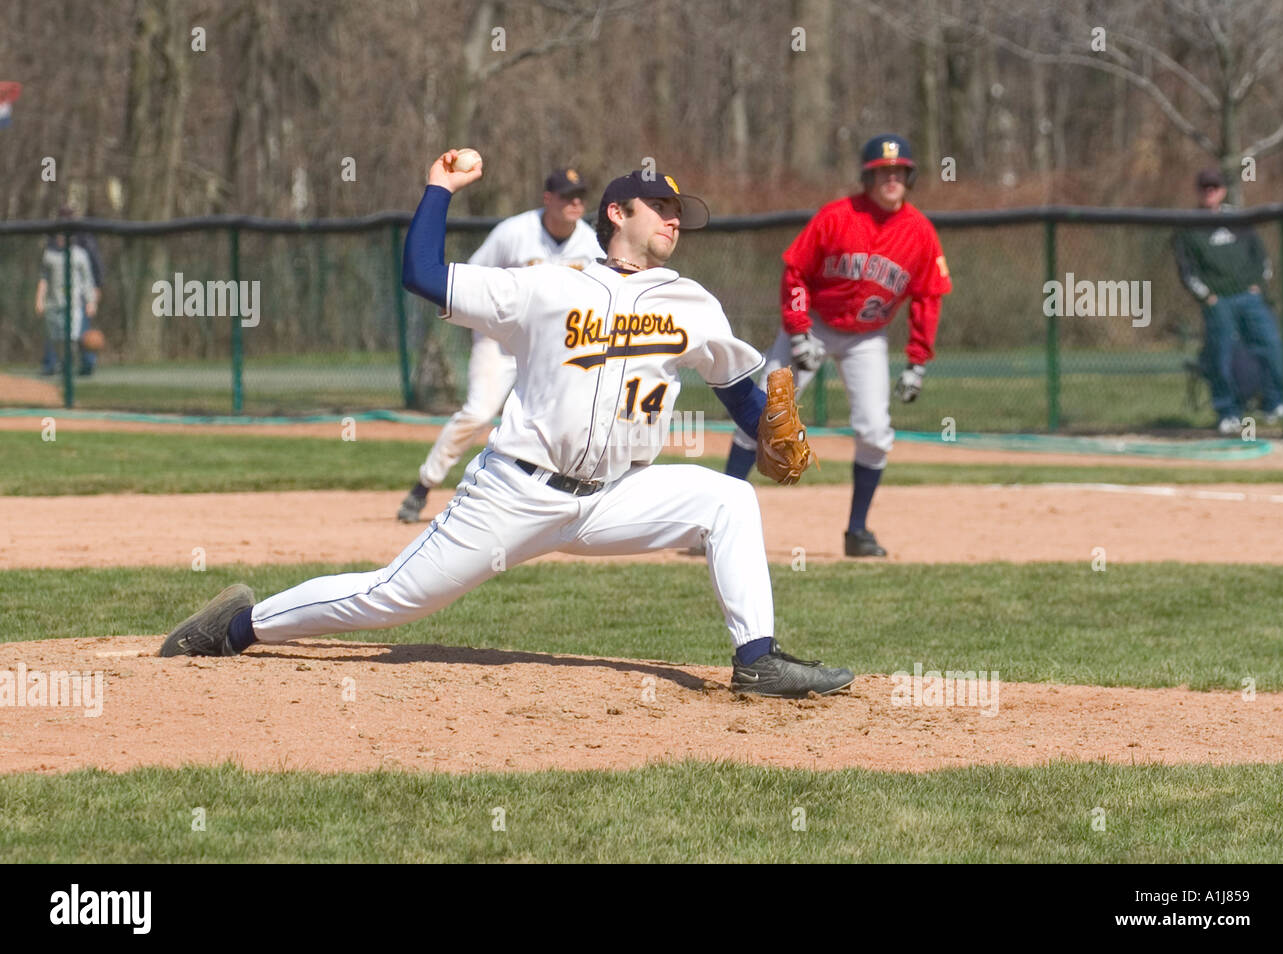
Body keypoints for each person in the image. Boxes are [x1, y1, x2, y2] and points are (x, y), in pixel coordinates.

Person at [158, 148, 854, 700]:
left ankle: (757, 659)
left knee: (729, 498)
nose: (675, 221)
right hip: (516, 491)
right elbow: (423, 273)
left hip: (612, 497)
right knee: (391, 598)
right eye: (662, 207)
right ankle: (239, 627)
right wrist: (439, 188)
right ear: (619, 211)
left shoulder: (692, 302)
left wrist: (765, 433)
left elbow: (735, 387)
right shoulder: (548, 284)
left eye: (682, 213)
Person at [721, 134, 951, 557]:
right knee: (765, 413)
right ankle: (716, 520)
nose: (891, 178)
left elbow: (928, 298)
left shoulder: (919, 233)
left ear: (909, 176)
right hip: (815, 324)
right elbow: (795, 272)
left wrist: (917, 361)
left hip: (867, 337)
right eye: (883, 171)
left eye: (899, 171)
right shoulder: (836, 216)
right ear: (868, 177)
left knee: (875, 432)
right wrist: (798, 330)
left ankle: (857, 532)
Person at [396, 167, 604, 523]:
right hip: (501, 342)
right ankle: (424, 485)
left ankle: (557, 496)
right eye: (568, 195)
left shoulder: (589, 242)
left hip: (554, 349)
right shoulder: (514, 232)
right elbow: (472, 276)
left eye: (580, 196)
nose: (576, 203)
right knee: (478, 413)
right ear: (547, 199)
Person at [1173, 168, 1283, 434]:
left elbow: (1261, 257)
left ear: (1223, 190)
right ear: (1199, 191)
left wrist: (1258, 285)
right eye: (1205, 188)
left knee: (1271, 346)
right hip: (1218, 302)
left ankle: (1274, 403)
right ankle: (1228, 412)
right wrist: (1207, 297)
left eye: (1214, 187)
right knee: (1220, 355)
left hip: (1249, 297)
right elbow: (1186, 269)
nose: (1210, 192)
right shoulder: (1189, 227)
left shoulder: (1239, 219)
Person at [34, 208, 98, 377]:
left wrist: (91, 301)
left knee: (72, 338)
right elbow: (44, 279)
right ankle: (58, 365)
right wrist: (39, 299)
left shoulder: (80, 254)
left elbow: (87, 280)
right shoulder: (49, 255)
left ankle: (74, 366)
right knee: (56, 339)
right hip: (53, 304)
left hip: (74, 304)